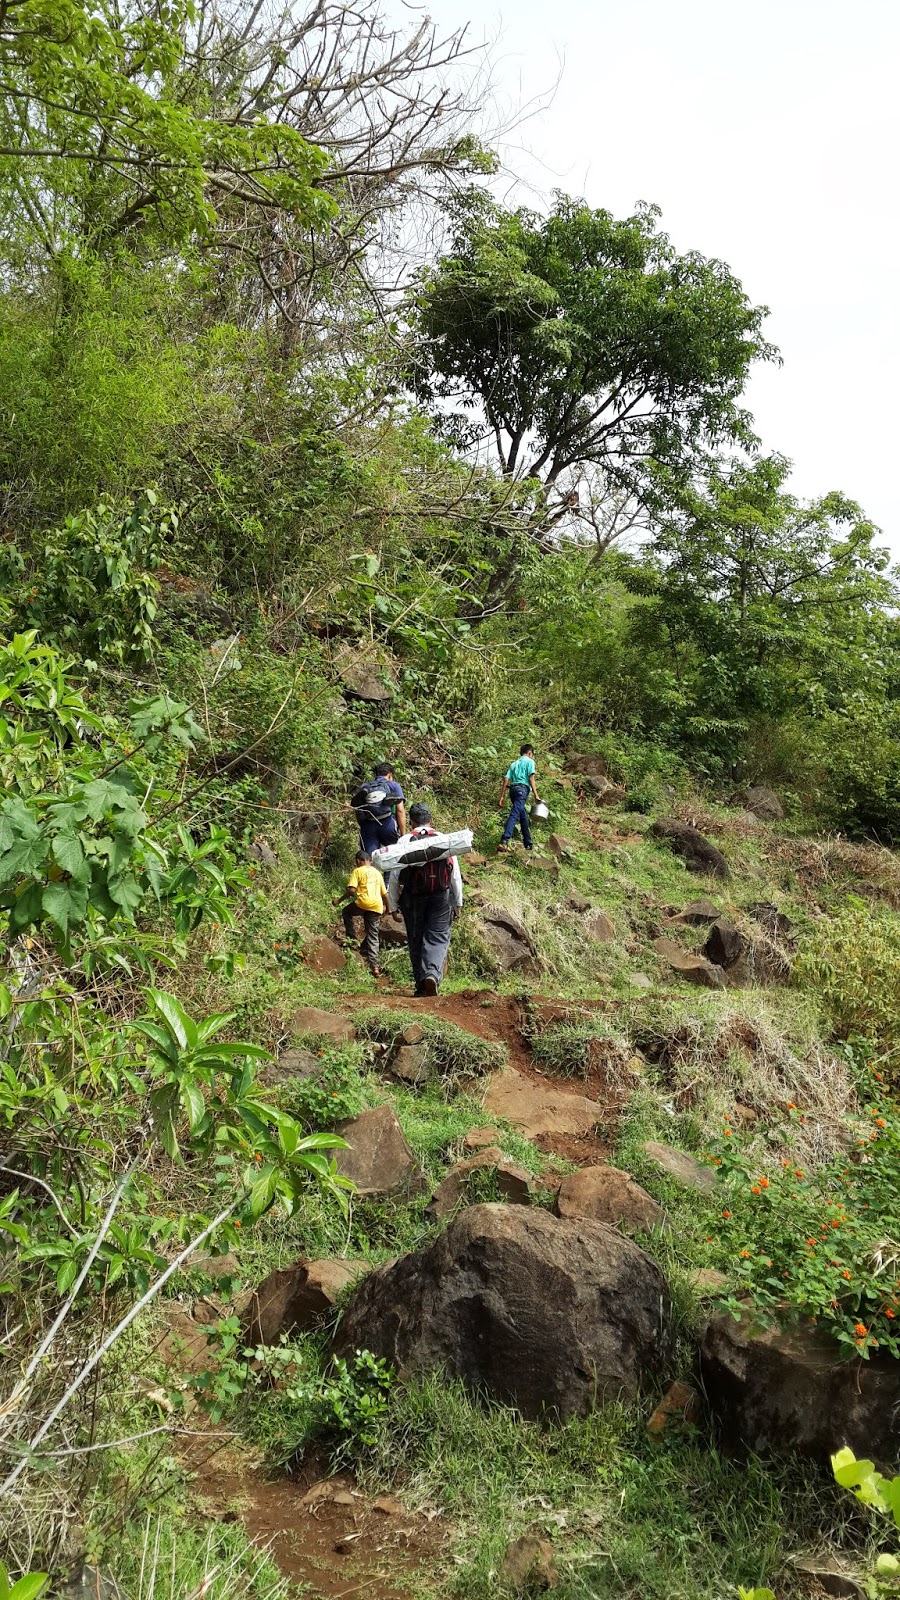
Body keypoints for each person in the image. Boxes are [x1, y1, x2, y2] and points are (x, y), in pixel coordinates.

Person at [388, 803, 463, 997]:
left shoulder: (405, 840)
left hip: (413, 897)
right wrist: (458, 903)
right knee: (438, 935)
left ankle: (421, 985)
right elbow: (454, 874)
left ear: (411, 822)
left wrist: (392, 905)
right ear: (431, 820)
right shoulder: (443, 839)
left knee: (416, 937)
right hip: (441, 896)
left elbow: (395, 876)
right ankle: (431, 974)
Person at [333, 851, 388, 977]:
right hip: (376, 906)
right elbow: (385, 895)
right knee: (373, 935)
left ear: (358, 861)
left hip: (363, 903)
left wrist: (339, 900)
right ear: (370, 861)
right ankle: (375, 967)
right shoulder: (377, 873)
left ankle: (352, 941)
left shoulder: (357, 871)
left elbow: (351, 890)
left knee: (346, 912)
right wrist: (389, 908)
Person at [354, 761, 406, 858]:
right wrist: (403, 835)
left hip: (368, 826)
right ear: (389, 775)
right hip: (388, 824)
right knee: (394, 857)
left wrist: (363, 826)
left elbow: (358, 809)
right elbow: (400, 810)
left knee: (370, 859)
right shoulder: (393, 785)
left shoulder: (365, 787)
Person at [498, 743, 541, 852]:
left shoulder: (514, 763)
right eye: (532, 754)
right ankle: (504, 841)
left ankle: (528, 844)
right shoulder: (530, 762)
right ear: (530, 753)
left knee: (523, 817)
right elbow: (531, 778)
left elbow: (506, 779)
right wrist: (536, 795)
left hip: (513, 791)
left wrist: (502, 796)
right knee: (514, 814)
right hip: (522, 791)